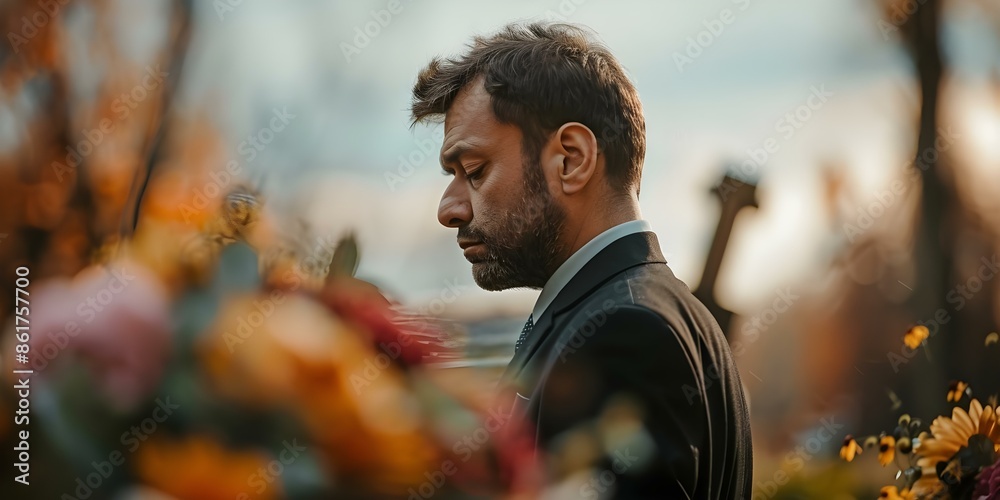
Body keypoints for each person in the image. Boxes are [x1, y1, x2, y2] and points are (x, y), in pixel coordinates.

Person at [410, 22, 752, 498]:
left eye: (474, 170)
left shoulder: (625, 332)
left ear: (571, 159)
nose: (449, 210)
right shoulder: (650, 311)